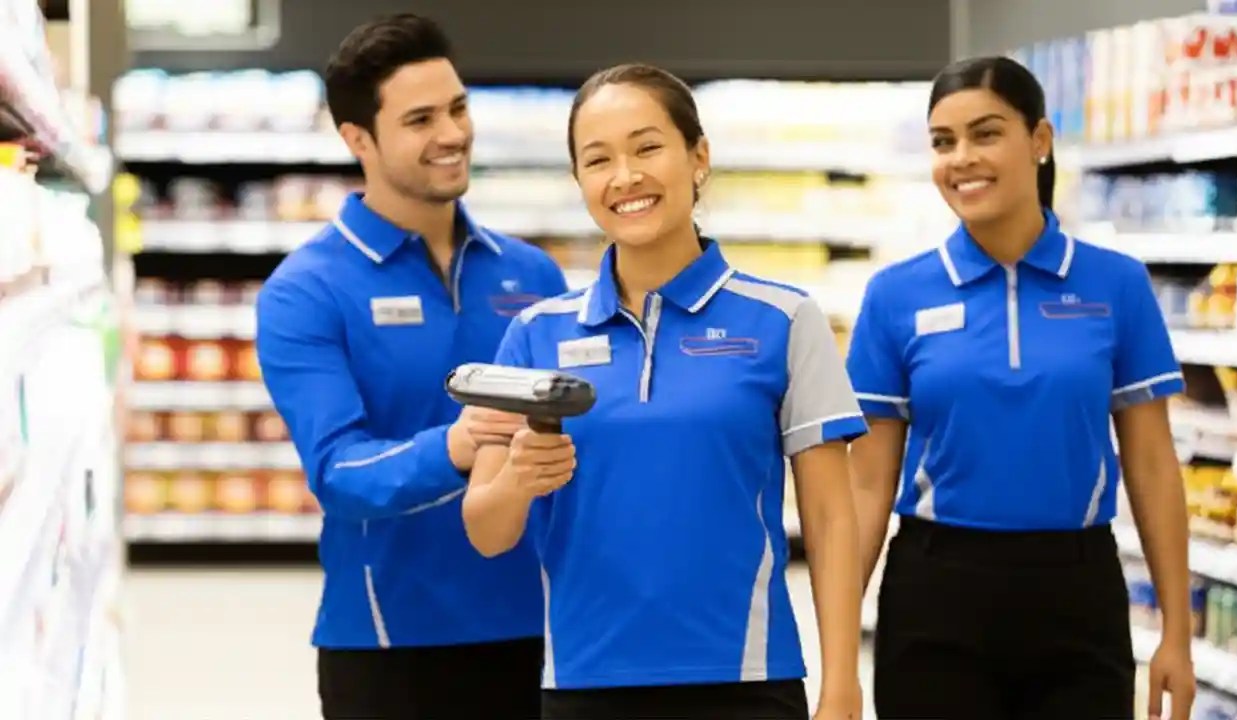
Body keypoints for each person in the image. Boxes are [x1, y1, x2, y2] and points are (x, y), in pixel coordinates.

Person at [459, 63, 867, 720]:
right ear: (580, 181)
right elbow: (486, 530)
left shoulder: (785, 319)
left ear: (698, 156)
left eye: (647, 147)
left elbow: (830, 519)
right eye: (598, 159)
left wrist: (842, 685)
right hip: (587, 686)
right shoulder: (534, 335)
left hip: (748, 680)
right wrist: (517, 482)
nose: (625, 176)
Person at [847, 55, 1197, 720]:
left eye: (985, 134)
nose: (962, 159)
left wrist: (1176, 634)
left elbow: (1152, 464)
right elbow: (867, 486)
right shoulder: (895, 296)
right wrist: (838, 656)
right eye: (943, 142)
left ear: (1039, 141)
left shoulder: (1115, 284)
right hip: (935, 592)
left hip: (1077, 590)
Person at [254, 13, 568, 720]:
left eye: (458, 108)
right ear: (357, 139)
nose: (452, 134)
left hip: (540, 627)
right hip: (388, 645)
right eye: (420, 119)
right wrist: (457, 446)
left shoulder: (531, 273)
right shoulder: (307, 291)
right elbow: (338, 473)